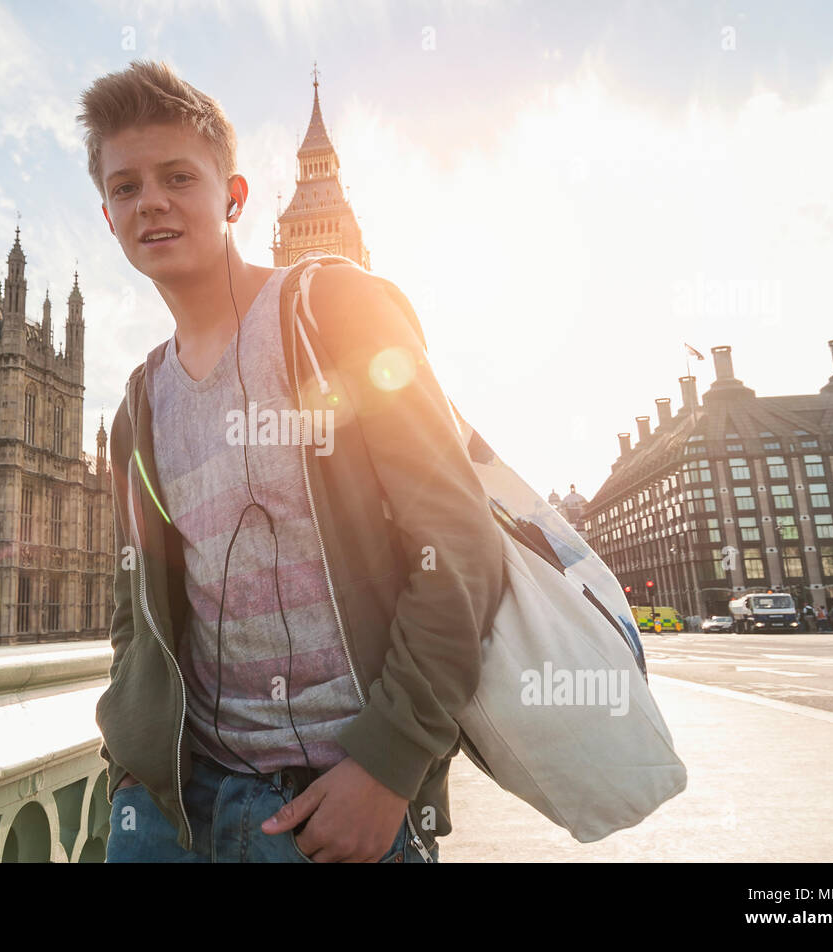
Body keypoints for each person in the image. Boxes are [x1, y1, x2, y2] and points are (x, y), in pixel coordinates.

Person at [80, 60, 505, 863]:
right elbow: (131, 602)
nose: (153, 202)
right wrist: (130, 774)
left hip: (333, 806)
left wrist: (389, 765)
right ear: (108, 216)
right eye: (127, 187)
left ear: (235, 198)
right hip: (173, 808)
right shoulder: (139, 402)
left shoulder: (337, 310)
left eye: (178, 177)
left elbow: (458, 542)